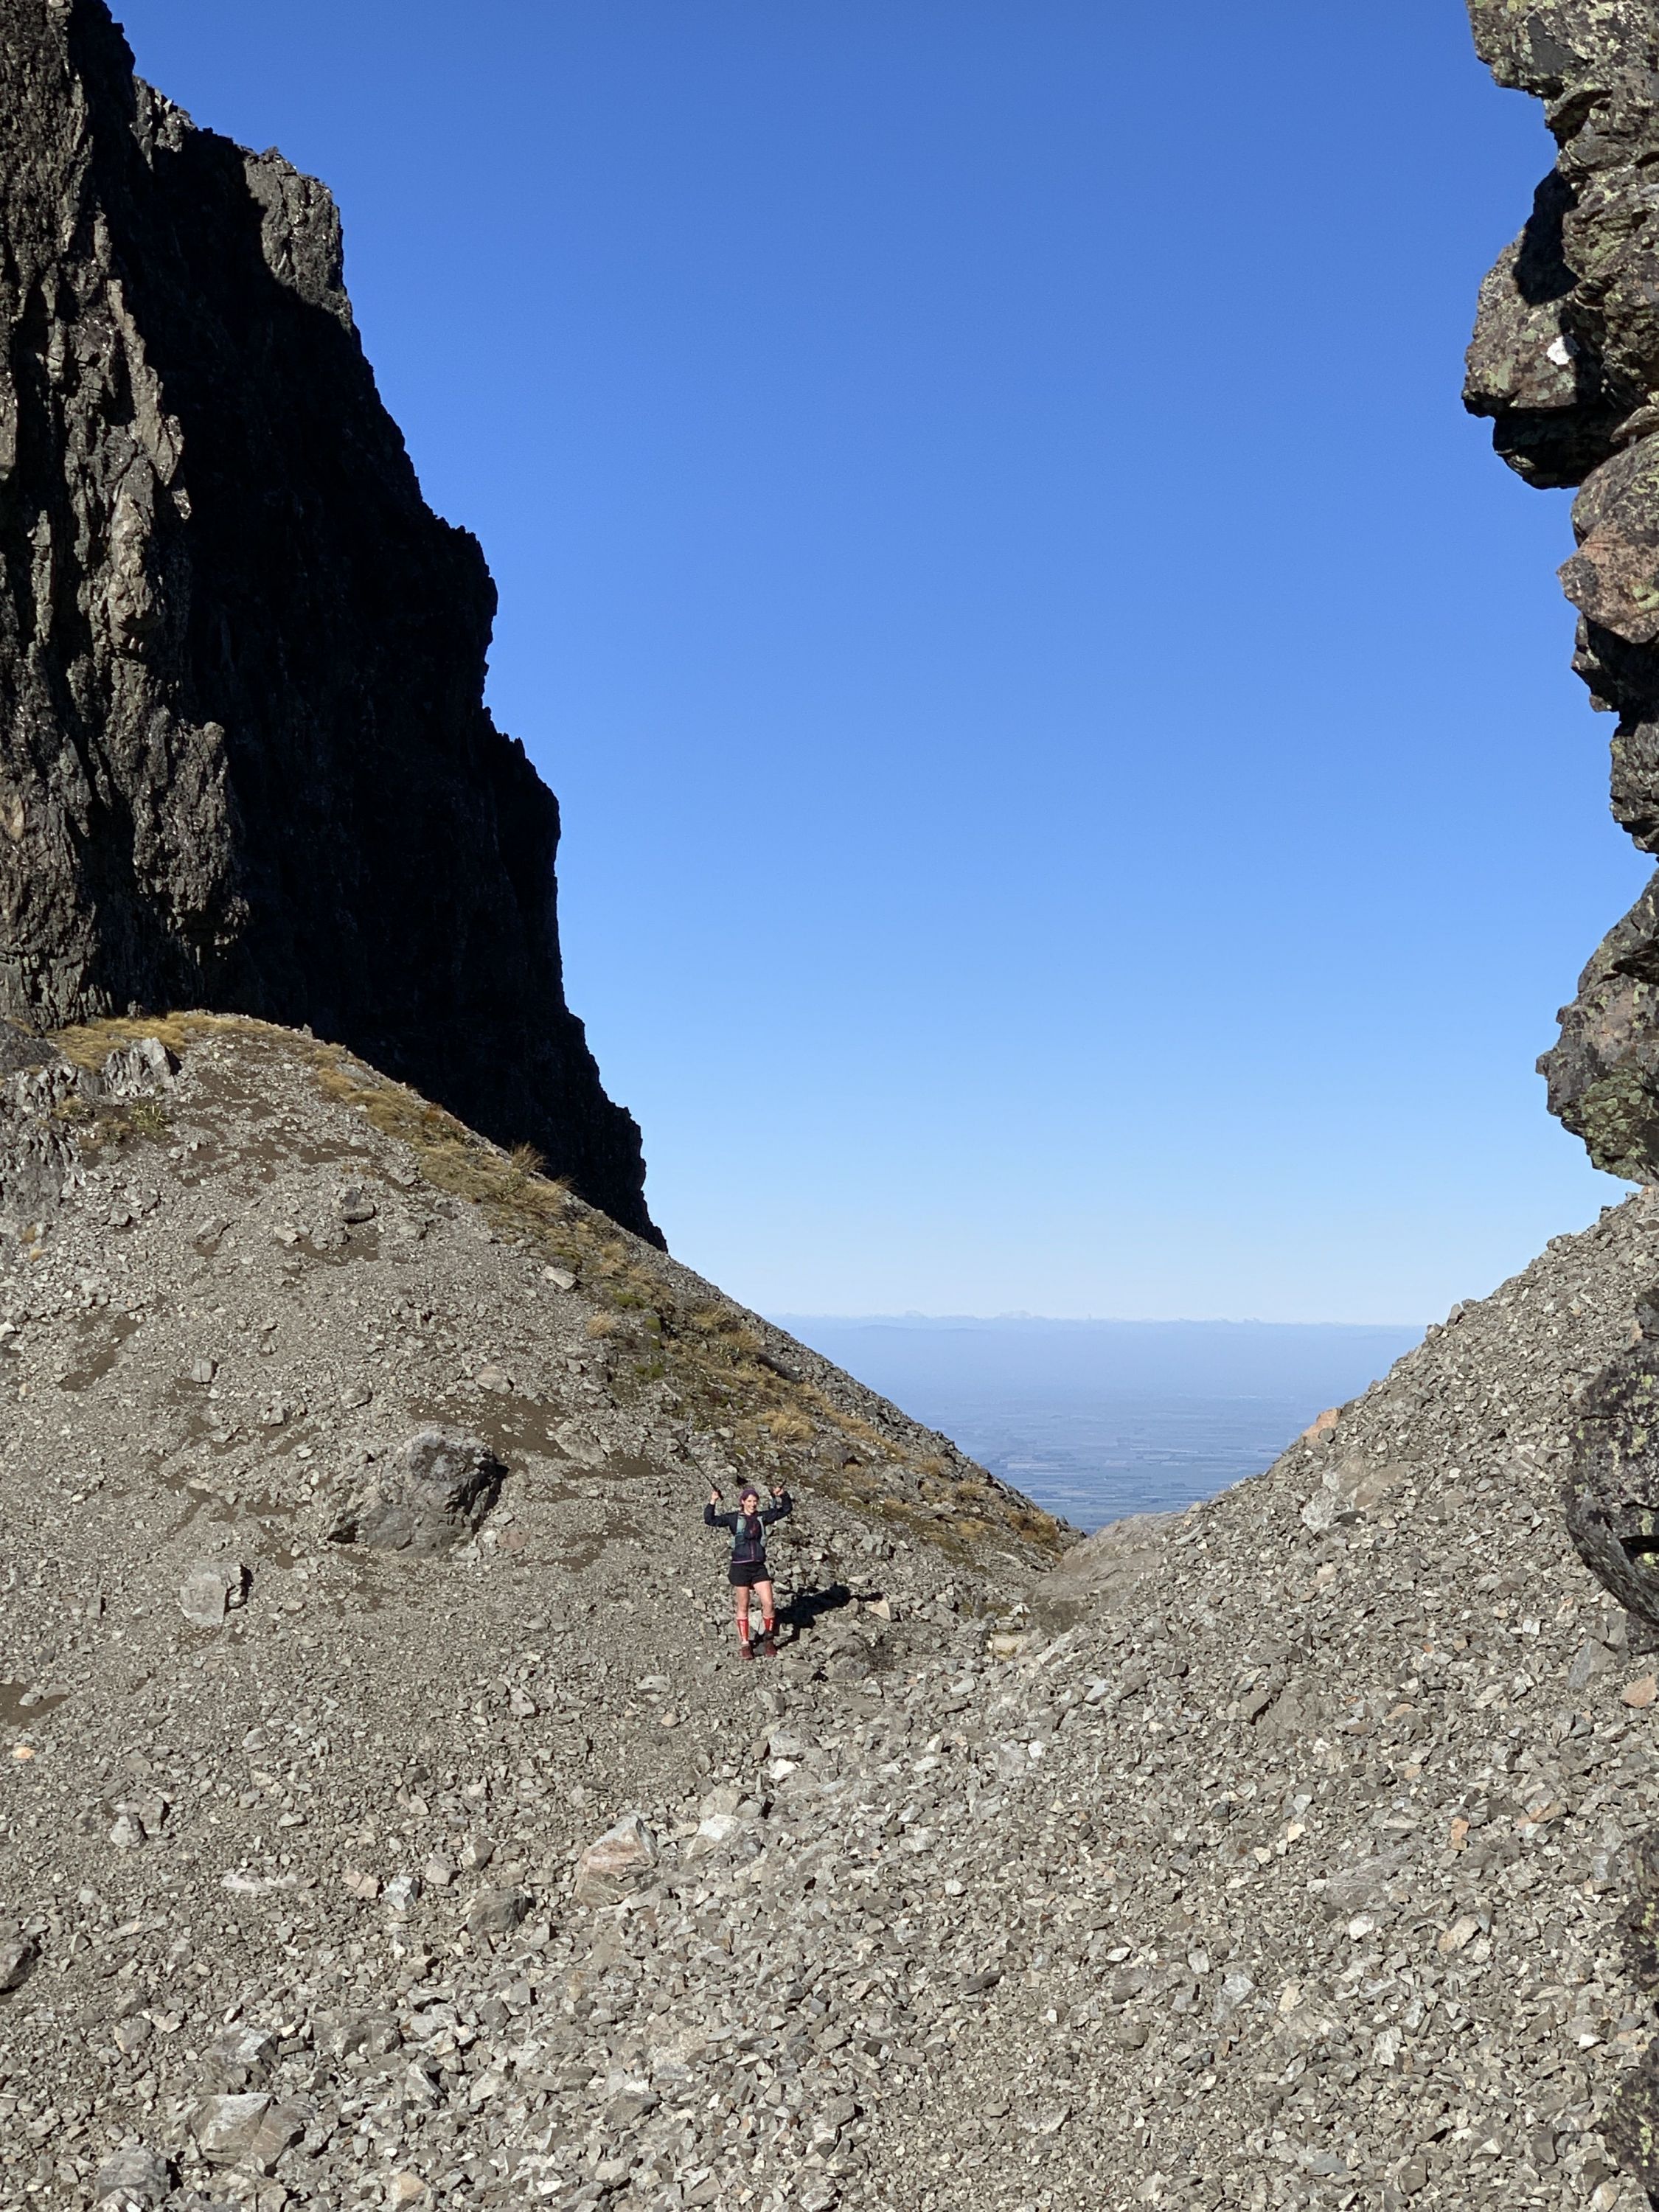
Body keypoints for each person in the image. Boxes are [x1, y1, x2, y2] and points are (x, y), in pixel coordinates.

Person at [705, 1480, 792, 1658]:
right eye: (749, 1501)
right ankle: (745, 1644)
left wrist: (783, 1495)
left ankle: (769, 1640)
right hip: (740, 1567)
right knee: (743, 1605)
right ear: (743, 1502)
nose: (753, 1504)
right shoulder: (733, 1518)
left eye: (755, 1501)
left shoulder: (762, 1517)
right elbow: (710, 1520)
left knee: (769, 1603)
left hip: (758, 1567)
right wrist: (713, 1501)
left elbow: (785, 1510)